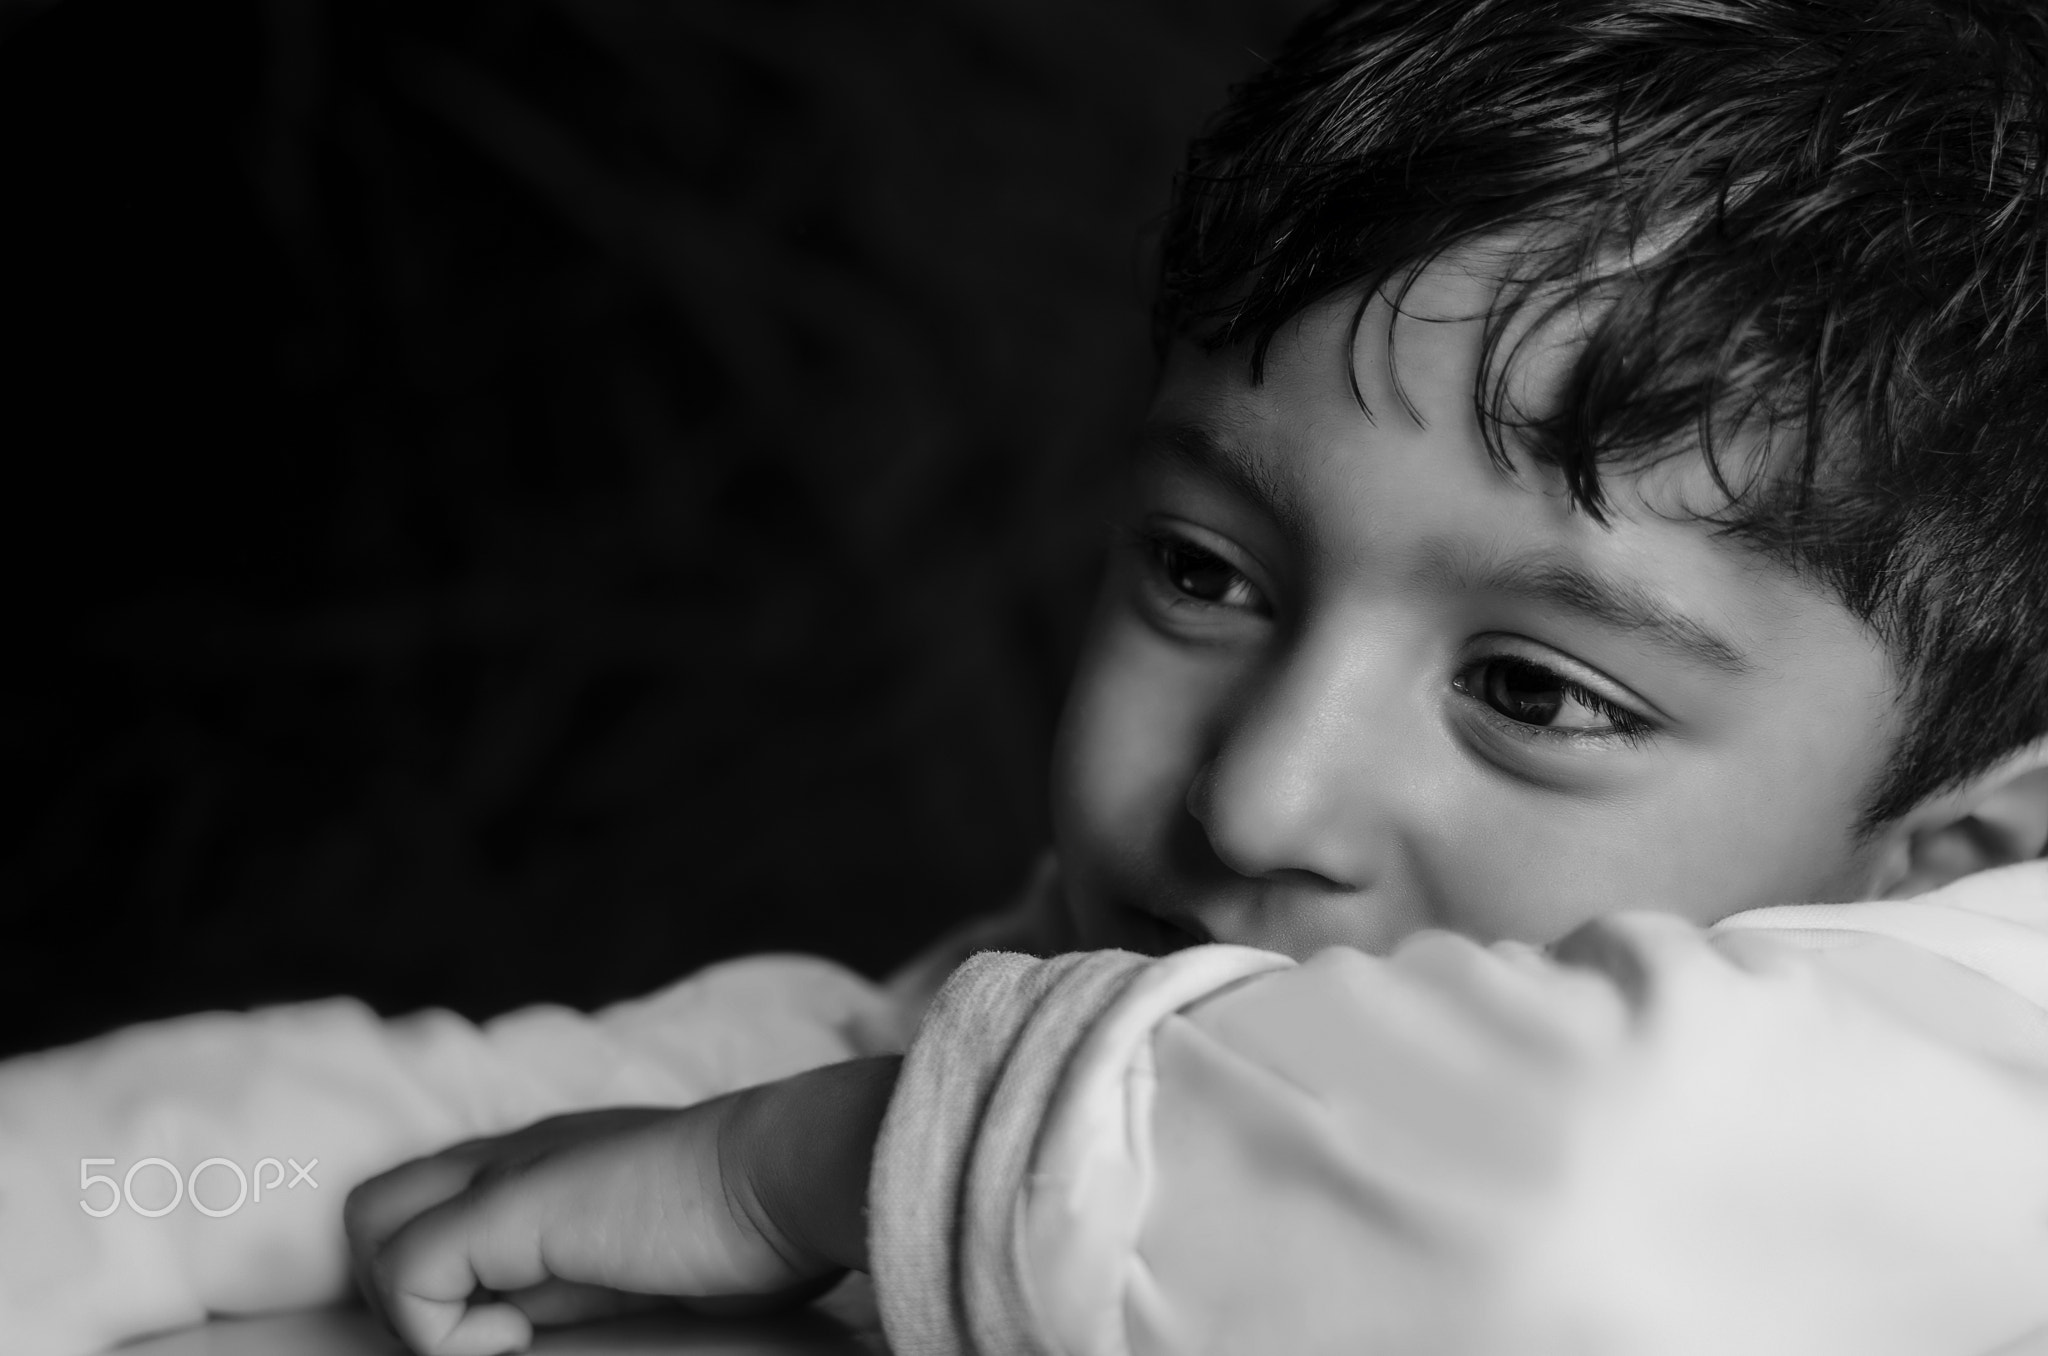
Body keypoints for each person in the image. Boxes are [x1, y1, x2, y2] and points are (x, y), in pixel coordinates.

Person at [13, 0, 2048, 1352]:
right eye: (1202, 570)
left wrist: (812, 1171)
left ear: (1949, 847)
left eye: (1531, 694)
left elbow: (1596, 1194)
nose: (1254, 796)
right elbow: (412, 1152)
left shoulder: (1975, 1114)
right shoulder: (1003, 1027)